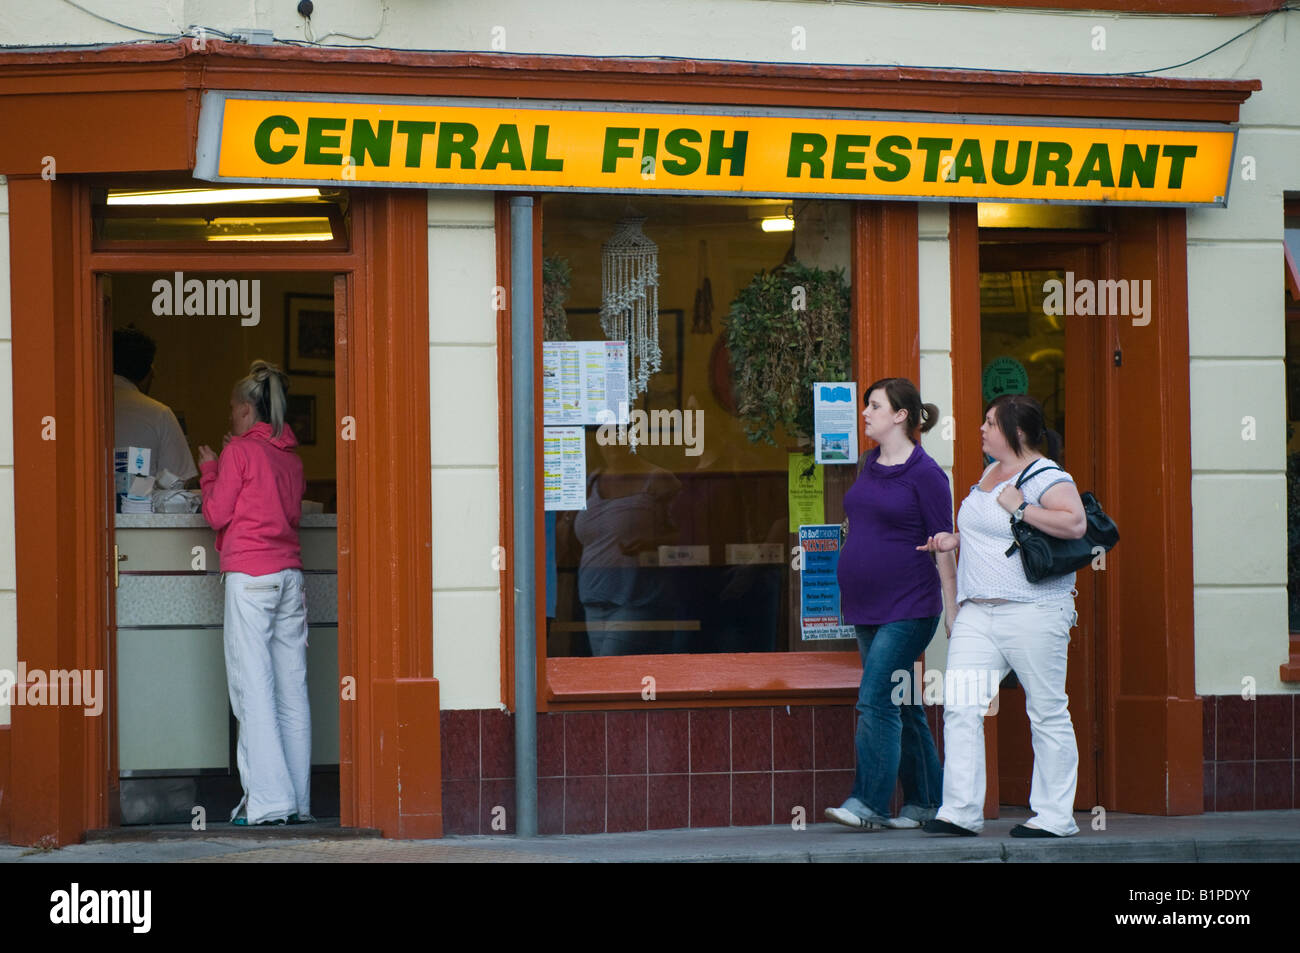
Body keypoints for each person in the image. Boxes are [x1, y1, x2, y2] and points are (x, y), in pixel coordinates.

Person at [916, 394, 1087, 838]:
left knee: (1046, 710)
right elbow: (990, 534)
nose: (982, 429)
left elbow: (1074, 524)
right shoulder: (990, 472)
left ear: (1019, 432)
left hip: (1034, 611)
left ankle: (1054, 817)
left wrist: (1021, 507)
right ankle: (960, 811)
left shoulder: (1047, 474)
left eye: (990, 422)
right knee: (960, 708)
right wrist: (954, 541)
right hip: (979, 612)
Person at [824, 378, 954, 831]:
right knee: (904, 703)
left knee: (877, 698)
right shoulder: (868, 464)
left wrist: (952, 611)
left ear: (900, 415)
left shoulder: (927, 475)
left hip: (910, 606)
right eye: (866, 406)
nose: (865, 412)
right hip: (865, 604)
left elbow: (944, 544)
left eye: (874, 405)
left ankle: (868, 804)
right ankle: (926, 803)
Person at [198, 360, 312, 826]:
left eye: (232, 409)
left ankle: (267, 802)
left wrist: (210, 468)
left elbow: (216, 515)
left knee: (253, 689)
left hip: (250, 578)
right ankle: (300, 801)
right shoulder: (291, 457)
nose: (229, 416)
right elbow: (292, 516)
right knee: (292, 688)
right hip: (290, 578)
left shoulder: (238, 454)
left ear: (248, 408)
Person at [568, 438, 683, 656]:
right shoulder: (591, 480)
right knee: (607, 680)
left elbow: (690, 536)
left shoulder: (658, 478)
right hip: (593, 600)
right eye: (605, 436)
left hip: (637, 600)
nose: (612, 443)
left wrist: (652, 543)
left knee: (610, 674)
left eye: (619, 436)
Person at [112, 327, 197, 483]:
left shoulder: (78, 410)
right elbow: (180, 480)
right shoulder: (159, 414)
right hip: (139, 505)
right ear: (148, 373)